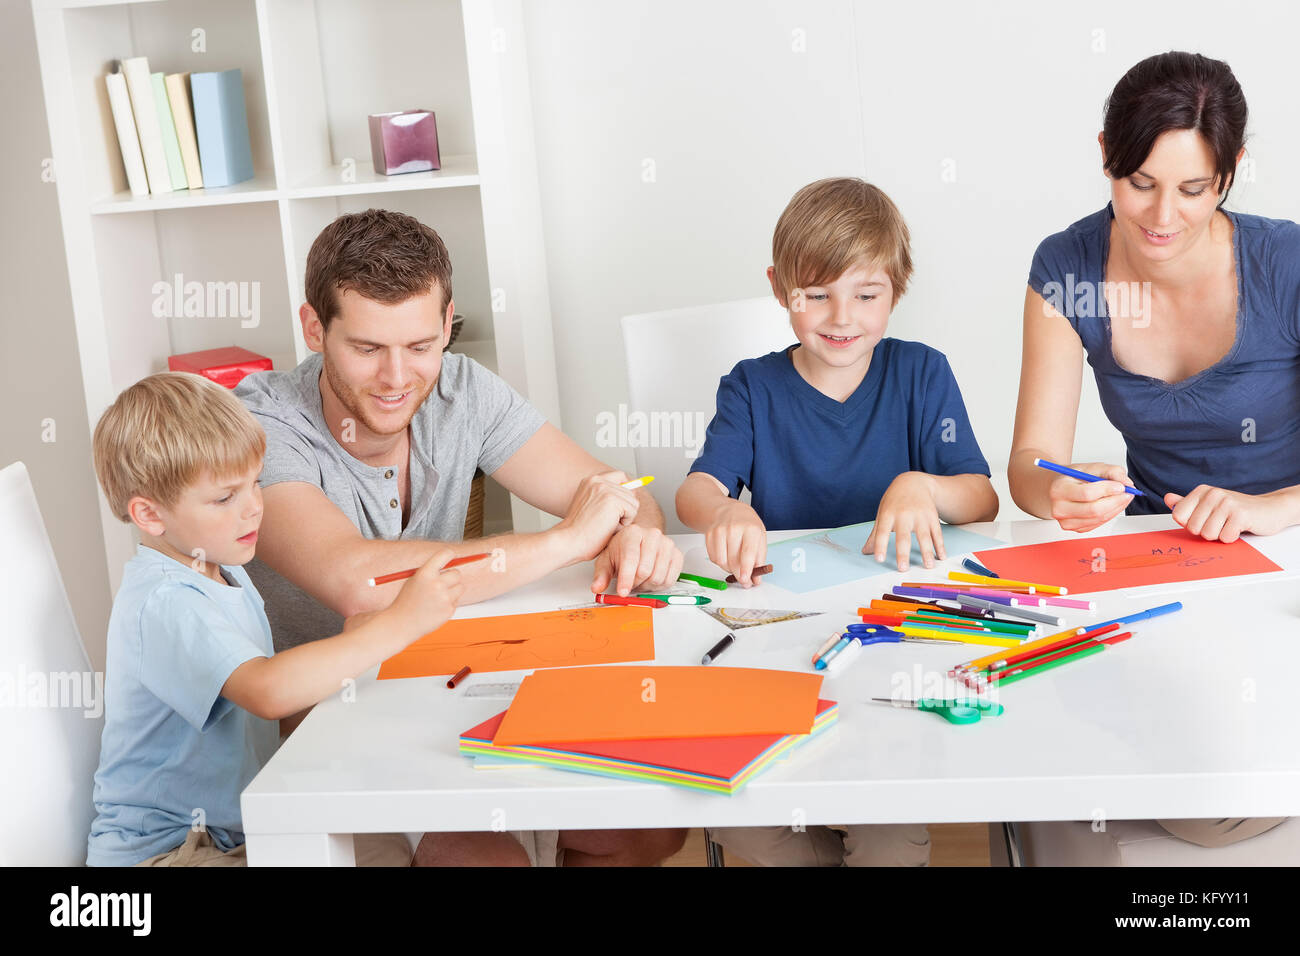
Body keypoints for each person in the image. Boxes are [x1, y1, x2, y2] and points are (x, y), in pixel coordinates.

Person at [236, 208, 685, 866]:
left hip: (446, 679)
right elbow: (360, 580)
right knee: (487, 861)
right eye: (367, 348)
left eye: (420, 345)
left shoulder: (464, 388)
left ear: (447, 324)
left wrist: (636, 530)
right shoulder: (262, 423)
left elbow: (616, 490)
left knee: (642, 826)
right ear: (314, 328)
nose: (397, 377)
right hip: (323, 711)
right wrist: (565, 541)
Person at [1009, 50, 1292, 849]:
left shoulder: (1289, 265)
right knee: (1056, 733)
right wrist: (1059, 489)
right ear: (1107, 152)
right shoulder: (1065, 268)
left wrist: (1271, 507)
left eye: (1194, 190)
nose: (1163, 215)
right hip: (1180, 569)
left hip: (1289, 562)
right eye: (1140, 183)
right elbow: (1030, 462)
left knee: (1197, 808)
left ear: (1231, 174)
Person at [677, 177, 998, 865]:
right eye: (815, 294)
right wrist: (727, 507)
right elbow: (696, 490)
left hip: (899, 645)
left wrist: (919, 485)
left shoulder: (922, 374)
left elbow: (981, 497)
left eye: (866, 294)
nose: (840, 316)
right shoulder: (751, 387)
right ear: (779, 287)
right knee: (735, 808)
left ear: (899, 289)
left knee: (887, 829)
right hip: (783, 650)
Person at [86, 373, 457, 866]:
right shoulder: (166, 600)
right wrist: (398, 624)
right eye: (224, 498)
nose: (254, 508)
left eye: (255, 483)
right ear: (150, 515)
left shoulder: (225, 572)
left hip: (233, 829)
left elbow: (272, 714)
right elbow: (267, 692)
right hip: (169, 853)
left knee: (390, 846)